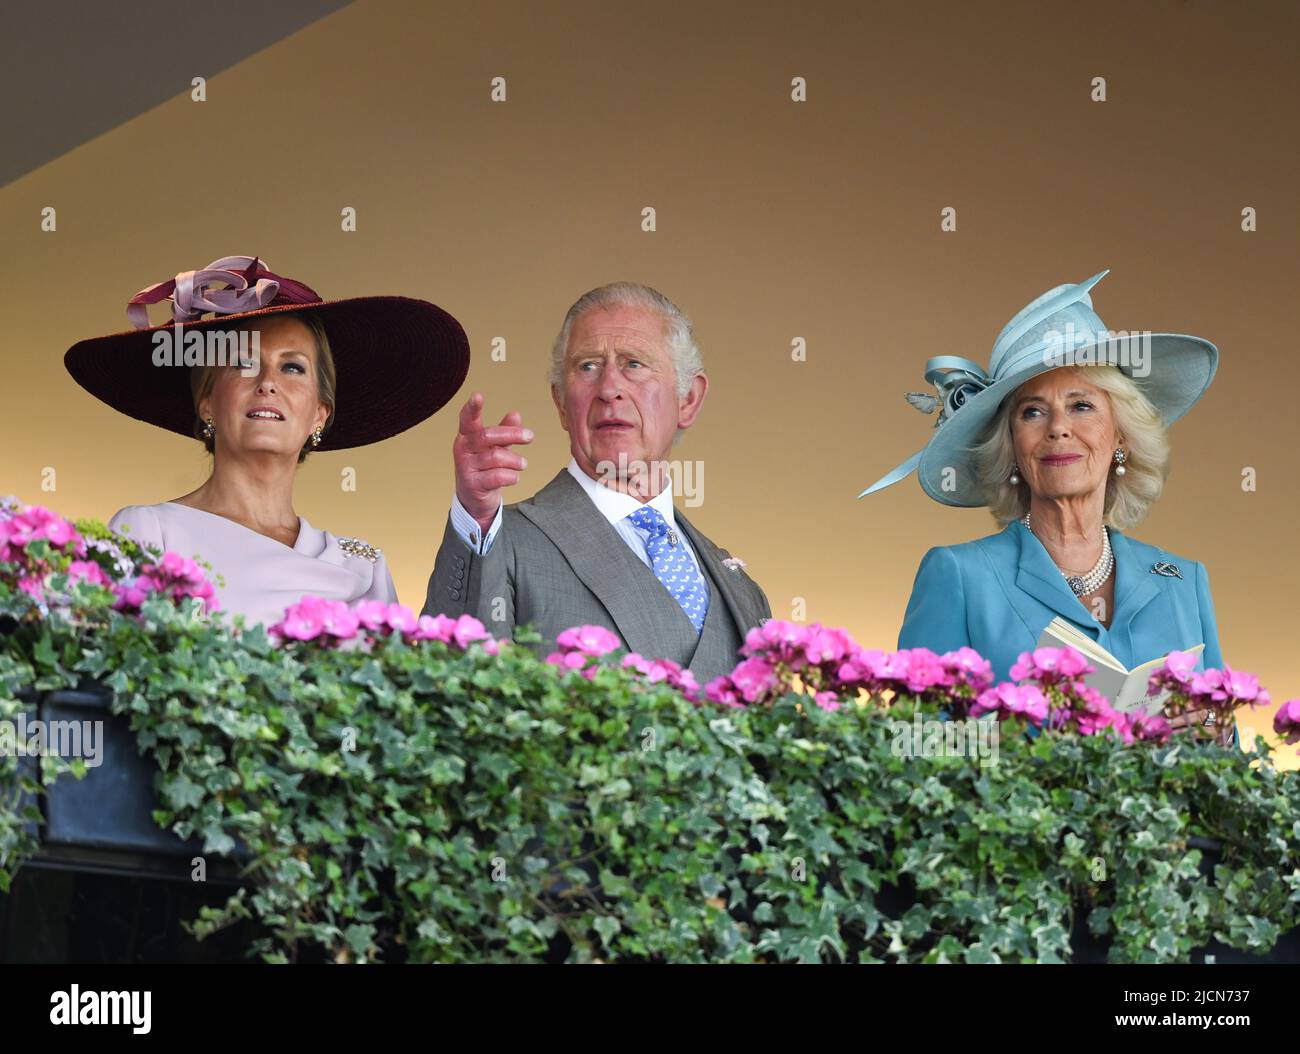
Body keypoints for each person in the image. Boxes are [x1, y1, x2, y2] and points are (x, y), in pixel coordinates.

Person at [860, 270, 1233, 744]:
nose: (1057, 428)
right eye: (1032, 411)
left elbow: (1231, 763)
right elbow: (914, 743)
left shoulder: (1184, 582)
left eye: (1081, 406)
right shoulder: (957, 574)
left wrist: (1215, 733)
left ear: (1120, 435)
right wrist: (1048, 739)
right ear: (1012, 445)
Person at [64, 254, 470, 629]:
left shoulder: (363, 566)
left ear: (319, 414)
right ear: (207, 403)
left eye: (292, 367)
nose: (268, 383)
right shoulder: (149, 533)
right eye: (243, 363)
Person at [423, 282, 771, 684]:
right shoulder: (501, 542)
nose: (609, 389)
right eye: (587, 366)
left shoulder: (743, 590)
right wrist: (476, 518)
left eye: (634, 365)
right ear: (560, 403)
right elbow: (450, 691)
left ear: (688, 399)